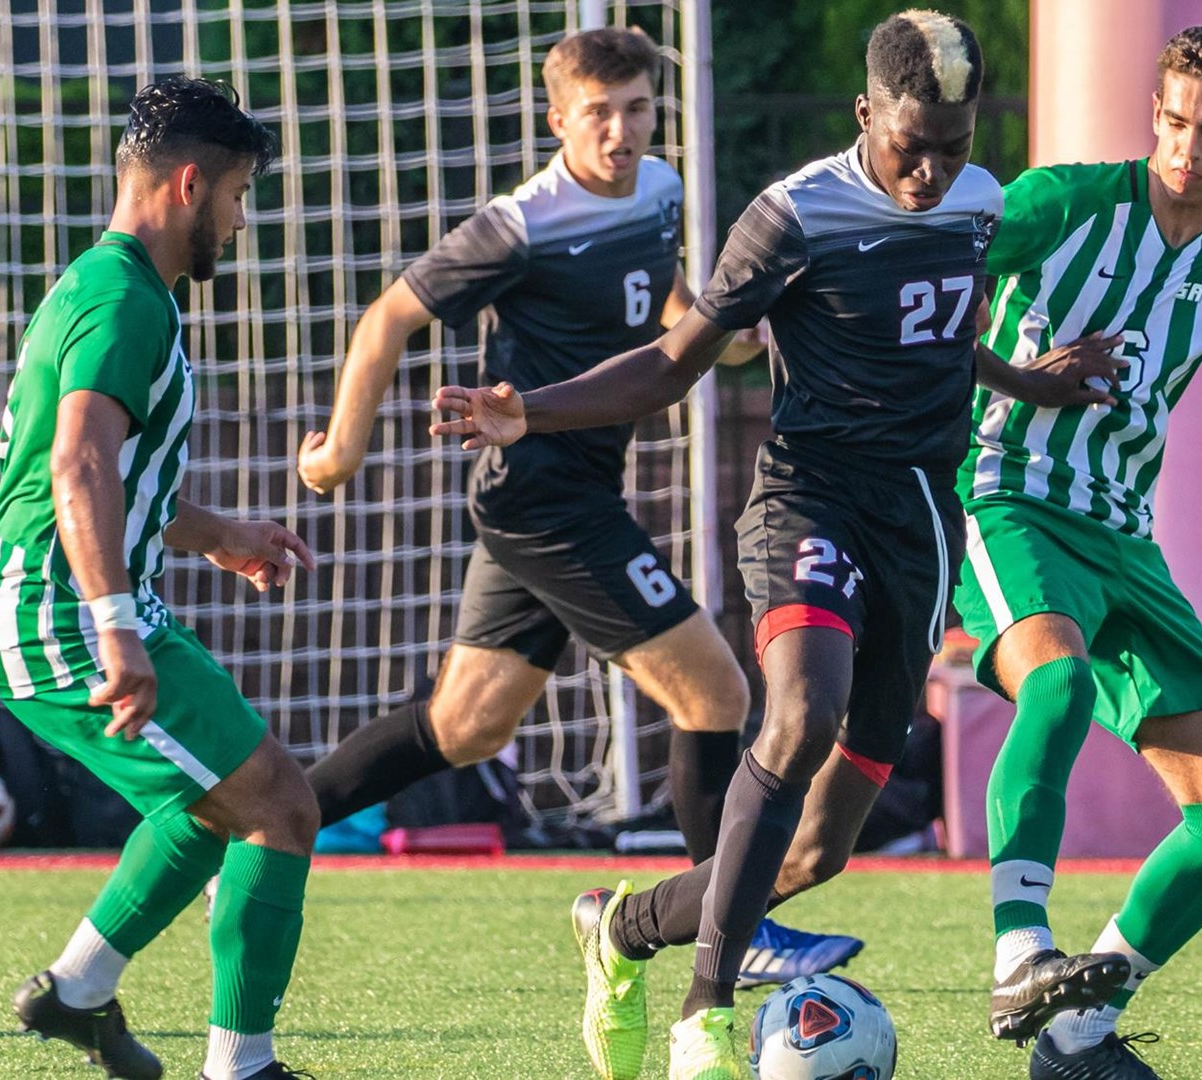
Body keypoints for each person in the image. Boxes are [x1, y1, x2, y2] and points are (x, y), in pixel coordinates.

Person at [432, 12, 1121, 1080]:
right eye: (910, 145)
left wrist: (1033, 381)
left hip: (921, 521)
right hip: (809, 500)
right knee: (798, 714)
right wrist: (532, 409)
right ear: (864, 117)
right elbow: (673, 361)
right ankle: (705, 1014)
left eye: (954, 144)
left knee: (819, 849)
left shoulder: (979, 205)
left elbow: (939, 335)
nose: (933, 169)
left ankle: (620, 928)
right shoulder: (792, 215)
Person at [290, 26, 859, 987]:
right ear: (558, 119)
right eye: (599, 112)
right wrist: (340, 451)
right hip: (542, 500)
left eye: (637, 108)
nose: (622, 130)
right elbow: (390, 314)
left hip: (564, 499)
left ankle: (272, 831)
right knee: (715, 692)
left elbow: (666, 298)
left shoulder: (663, 189)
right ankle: (735, 926)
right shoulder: (522, 223)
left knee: (466, 726)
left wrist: (724, 339)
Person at [955, 25, 1202, 1080]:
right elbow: (919, 310)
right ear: (1151, 112)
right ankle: (1020, 950)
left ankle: (1077, 1032)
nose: (1185, 148)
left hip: (1122, 534)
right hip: (1005, 494)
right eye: (1171, 121)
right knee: (1054, 685)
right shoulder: (1056, 203)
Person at [0, 77, 318, 1080]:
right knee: (277, 807)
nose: (240, 221)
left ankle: (75, 994)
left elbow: (113, 476)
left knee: (217, 804)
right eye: (239, 195)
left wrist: (218, 535)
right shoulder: (126, 301)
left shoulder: (107, 286)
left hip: (71, 603)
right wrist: (116, 628)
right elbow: (76, 464)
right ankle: (242, 1069)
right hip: (65, 613)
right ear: (187, 185)